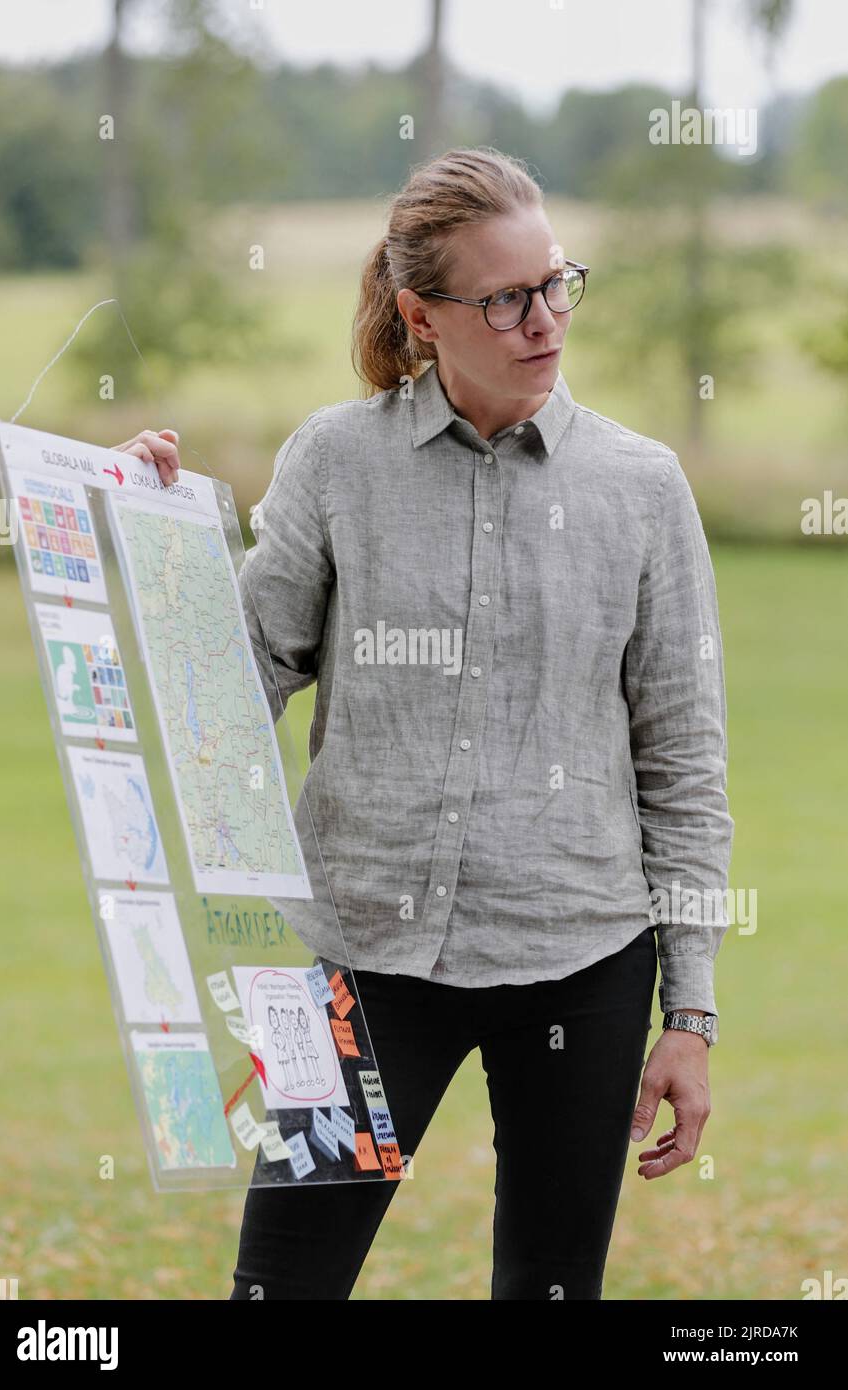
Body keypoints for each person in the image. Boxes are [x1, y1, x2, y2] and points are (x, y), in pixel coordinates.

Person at [113, 146, 734, 1300]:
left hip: (582, 959)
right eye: (504, 298)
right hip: (360, 959)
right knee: (278, 1287)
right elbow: (232, 687)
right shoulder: (335, 463)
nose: (543, 319)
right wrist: (158, 549)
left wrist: (686, 1014)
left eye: (555, 283)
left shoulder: (640, 489)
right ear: (420, 314)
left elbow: (683, 761)